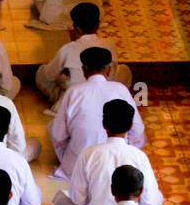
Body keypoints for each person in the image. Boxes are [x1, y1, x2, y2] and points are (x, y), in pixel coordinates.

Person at [53, 98, 160, 205]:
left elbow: (78, 202)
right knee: (158, 195)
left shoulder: (89, 154)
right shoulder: (140, 157)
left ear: (104, 124)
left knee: (61, 200)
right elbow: (149, 202)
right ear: (131, 126)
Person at [50, 45, 144, 177]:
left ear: (83, 70)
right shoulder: (120, 89)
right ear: (109, 70)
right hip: (119, 165)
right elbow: (138, 132)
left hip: (79, 166)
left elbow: (58, 136)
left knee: (53, 127)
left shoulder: (73, 92)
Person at [36, 3, 127, 106]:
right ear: (98, 24)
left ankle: (61, 100)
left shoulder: (69, 48)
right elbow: (113, 73)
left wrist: (65, 77)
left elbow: (49, 75)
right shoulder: (110, 44)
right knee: (125, 71)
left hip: (77, 101)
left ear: (75, 27)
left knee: (41, 74)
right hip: (106, 98)